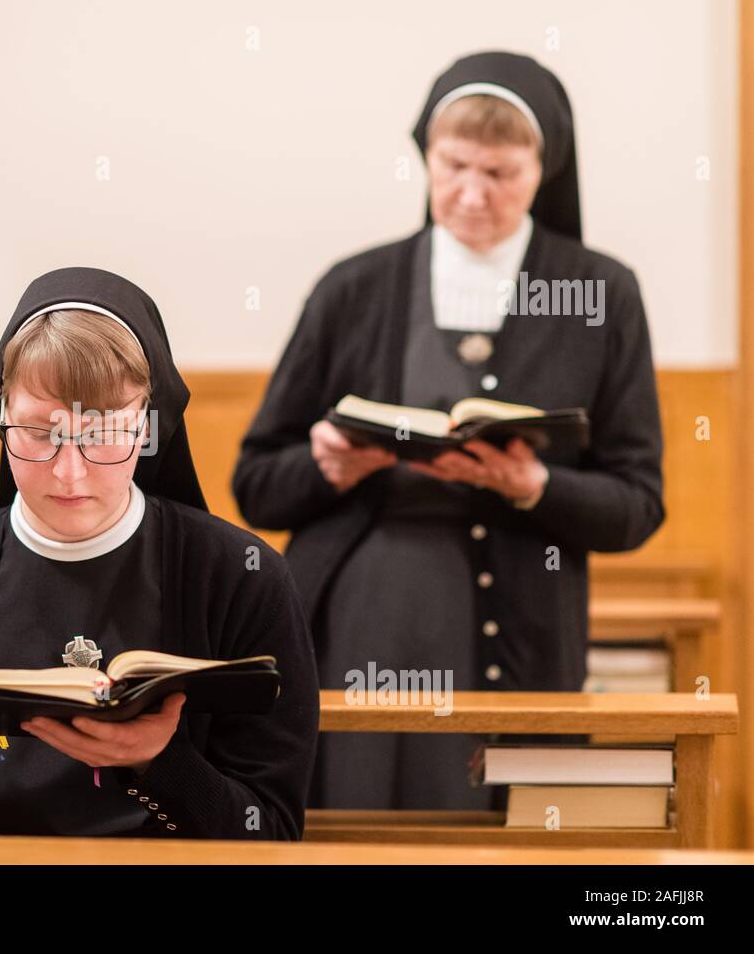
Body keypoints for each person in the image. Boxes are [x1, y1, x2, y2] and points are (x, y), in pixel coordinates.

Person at [232, 51, 664, 810]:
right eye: (452, 165)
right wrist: (330, 466)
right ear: (425, 157)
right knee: (358, 816)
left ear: (545, 170)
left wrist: (535, 487)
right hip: (362, 615)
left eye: (500, 173)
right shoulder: (354, 287)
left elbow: (638, 504)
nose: (471, 195)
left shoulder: (601, 293)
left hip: (525, 616)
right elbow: (256, 485)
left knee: (501, 824)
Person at [0, 267, 318, 837]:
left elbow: (271, 831)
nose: (70, 474)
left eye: (101, 434)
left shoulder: (246, 580)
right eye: (41, 433)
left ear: (147, 427)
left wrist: (158, 762)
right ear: (1, 419)